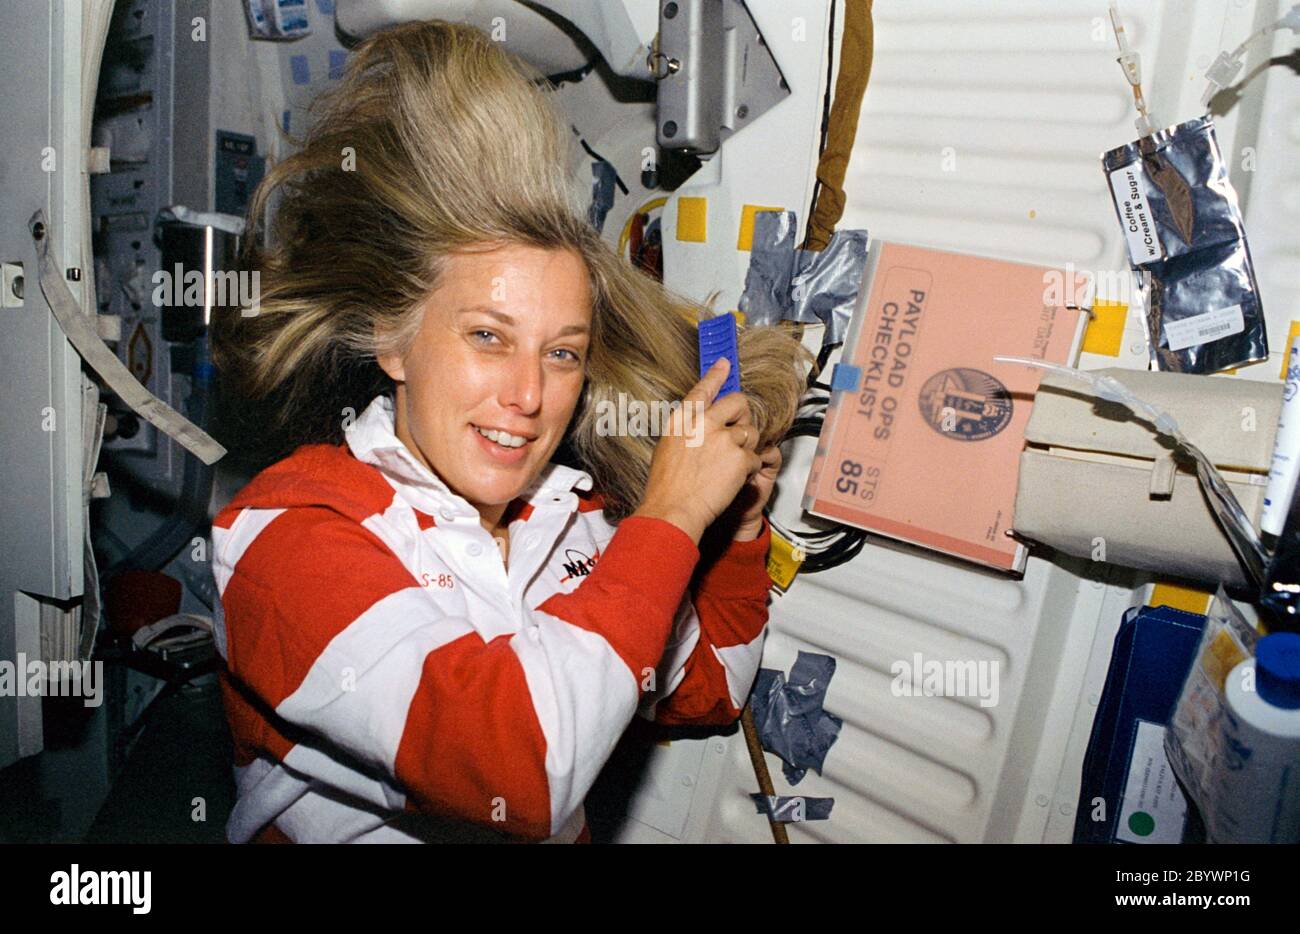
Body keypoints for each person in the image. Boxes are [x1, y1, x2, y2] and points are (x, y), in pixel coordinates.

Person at [209, 20, 807, 843]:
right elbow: (519, 763)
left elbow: (709, 686)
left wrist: (736, 529)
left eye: (561, 353)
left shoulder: (580, 519)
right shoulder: (286, 537)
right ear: (393, 341)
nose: (528, 394)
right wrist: (668, 518)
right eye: (488, 336)